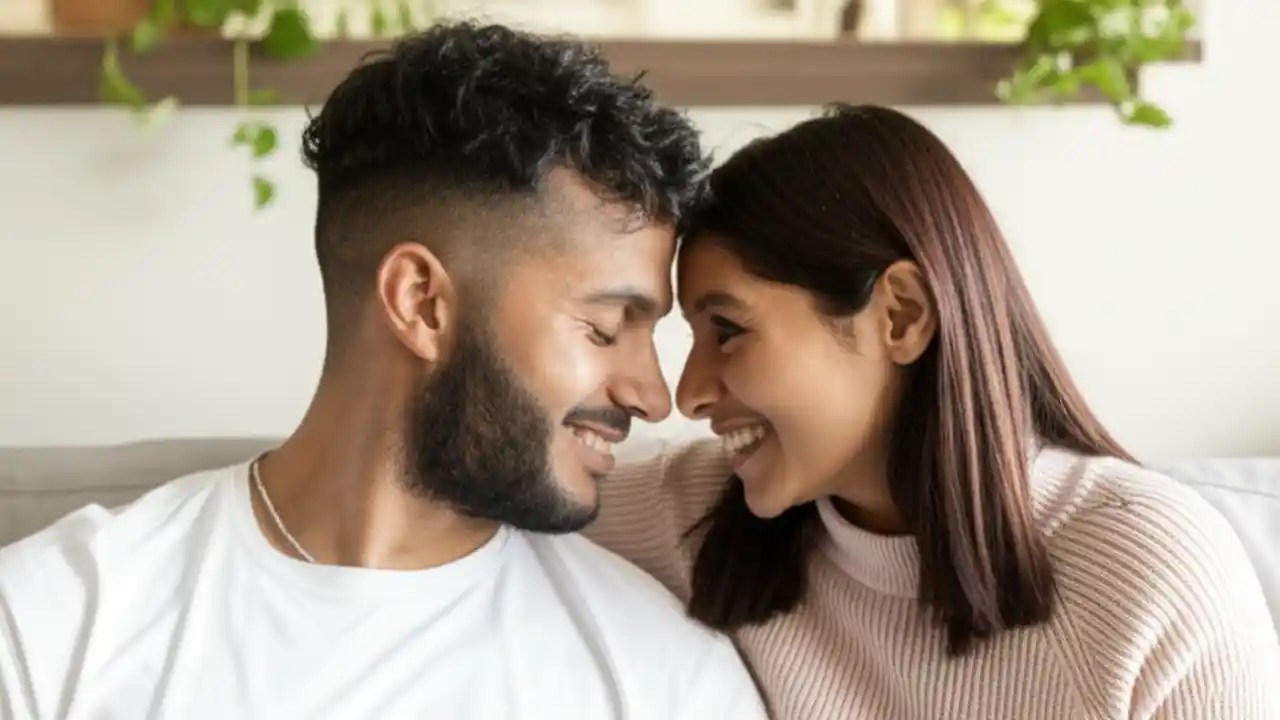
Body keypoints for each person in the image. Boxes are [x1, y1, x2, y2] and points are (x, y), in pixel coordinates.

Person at [0, 23, 766, 720]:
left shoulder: (664, 679)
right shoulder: (52, 624)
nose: (653, 395)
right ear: (421, 303)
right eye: (604, 329)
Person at [586, 104, 1280, 719]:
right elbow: (487, 483)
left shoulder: (1147, 572)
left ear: (901, 315)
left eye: (729, 331)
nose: (689, 393)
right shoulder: (693, 513)